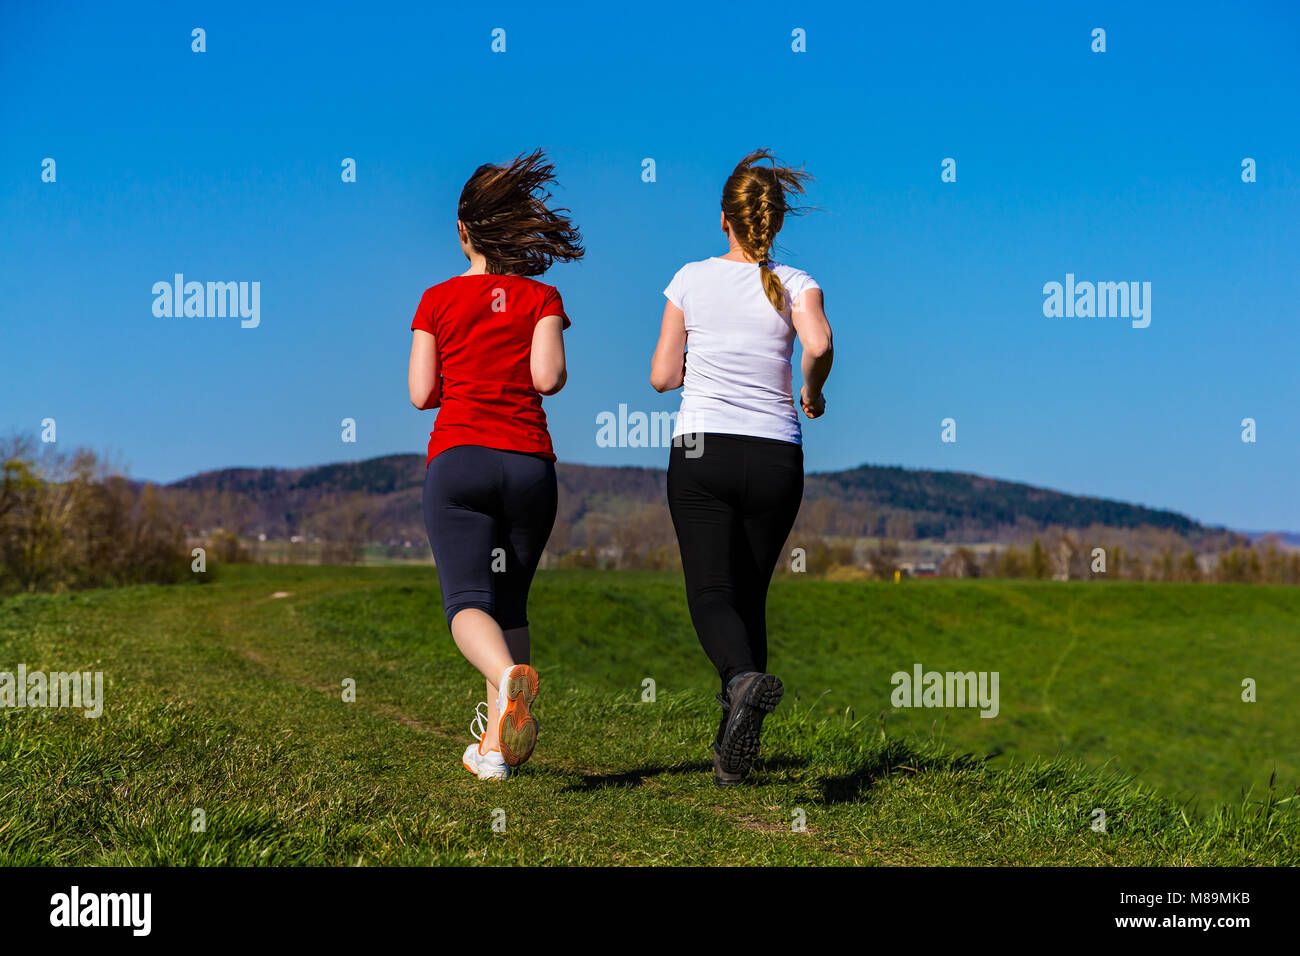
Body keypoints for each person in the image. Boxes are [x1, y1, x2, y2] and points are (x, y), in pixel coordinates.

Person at [650, 149, 834, 787]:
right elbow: (820, 344)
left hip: (704, 450)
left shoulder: (690, 280)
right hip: (777, 453)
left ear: (723, 220)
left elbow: (662, 376)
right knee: (749, 596)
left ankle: (740, 682)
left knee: (710, 592)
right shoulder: (799, 283)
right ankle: (733, 751)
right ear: (774, 222)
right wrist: (810, 392)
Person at [408, 150, 582, 781]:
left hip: (460, 462)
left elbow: (422, 393)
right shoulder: (542, 296)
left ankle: (506, 678)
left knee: (467, 602)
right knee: (511, 606)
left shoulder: (436, 300)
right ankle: (496, 754)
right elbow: (549, 377)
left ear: (463, 231)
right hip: (530, 467)